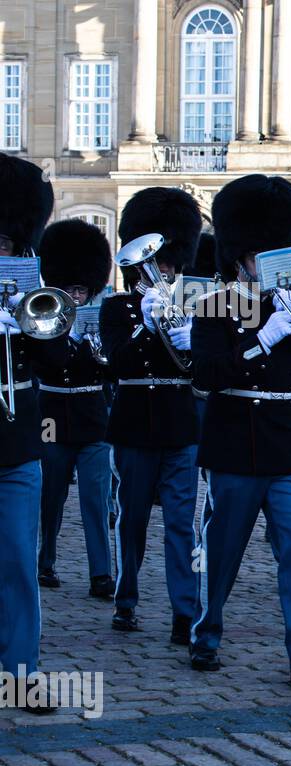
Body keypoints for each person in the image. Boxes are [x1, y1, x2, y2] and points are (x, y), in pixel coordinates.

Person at [189, 174, 291, 694]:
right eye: (259, 256)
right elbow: (206, 374)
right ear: (239, 259)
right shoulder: (212, 307)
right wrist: (262, 341)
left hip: (284, 444)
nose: (267, 266)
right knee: (223, 549)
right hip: (233, 441)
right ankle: (205, 632)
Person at [100, 187, 203, 643]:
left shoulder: (194, 309)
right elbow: (116, 364)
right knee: (133, 518)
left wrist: (192, 340)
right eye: (154, 264)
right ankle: (126, 600)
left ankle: (185, 611)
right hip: (135, 423)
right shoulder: (116, 308)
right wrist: (145, 324)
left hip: (180, 424)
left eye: (167, 264)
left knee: (182, 523)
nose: (162, 272)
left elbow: (204, 371)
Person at [0, 153, 67, 714]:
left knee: (19, 563)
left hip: (16, 444)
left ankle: (21, 675)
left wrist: (27, 319)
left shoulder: (31, 288)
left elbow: (56, 362)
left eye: (8, 243)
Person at [34, 219, 114, 599]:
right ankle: (45, 560)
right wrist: (65, 335)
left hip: (92, 415)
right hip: (51, 416)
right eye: (69, 289)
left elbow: (112, 368)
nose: (76, 297)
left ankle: (101, 572)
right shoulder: (44, 318)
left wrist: (93, 344)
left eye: (81, 290)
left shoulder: (101, 320)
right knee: (51, 494)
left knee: (95, 499)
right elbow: (45, 364)